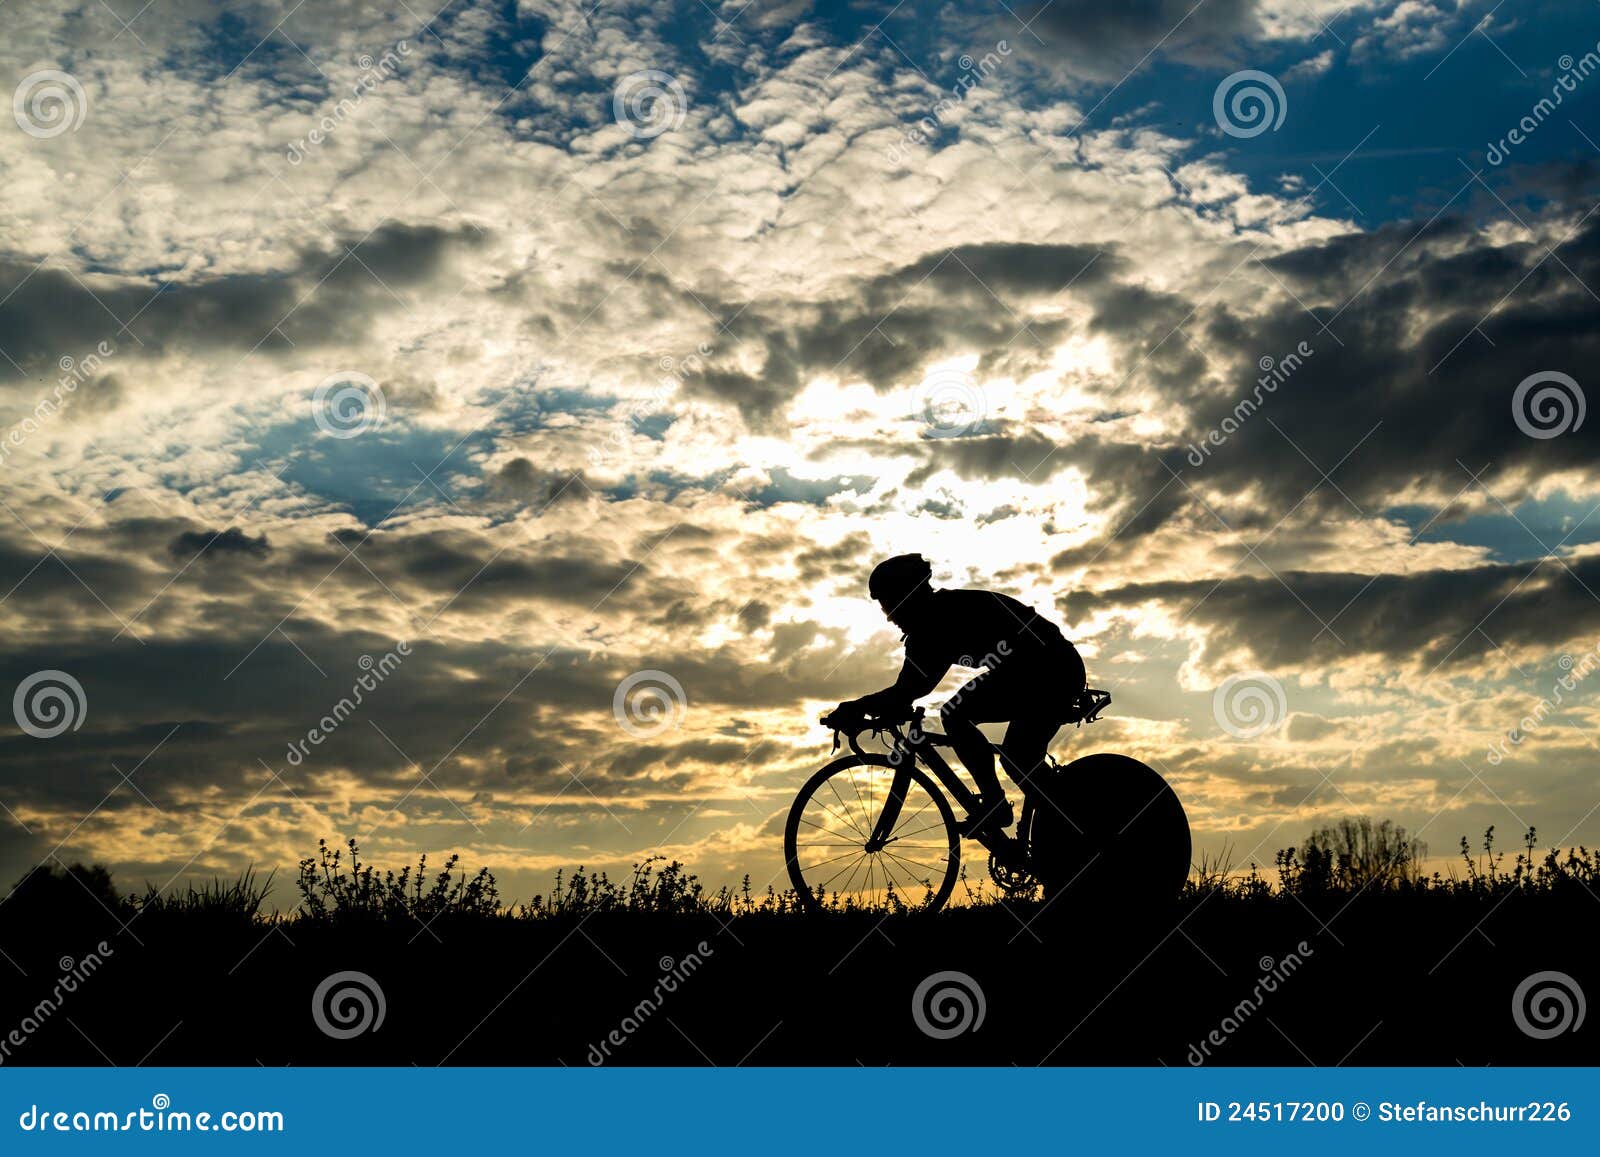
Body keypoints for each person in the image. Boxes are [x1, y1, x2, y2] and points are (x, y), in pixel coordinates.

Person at [824, 554, 1087, 836]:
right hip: (1044, 667)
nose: (890, 618)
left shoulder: (936, 621)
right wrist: (872, 708)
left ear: (908, 597)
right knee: (1018, 758)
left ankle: (1016, 810)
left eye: (890, 605)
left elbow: (909, 690)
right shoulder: (936, 616)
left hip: (1047, 669)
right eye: (884, 608)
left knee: (961, 719)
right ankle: (1058, 815)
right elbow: (910, 689)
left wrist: (859, 708)